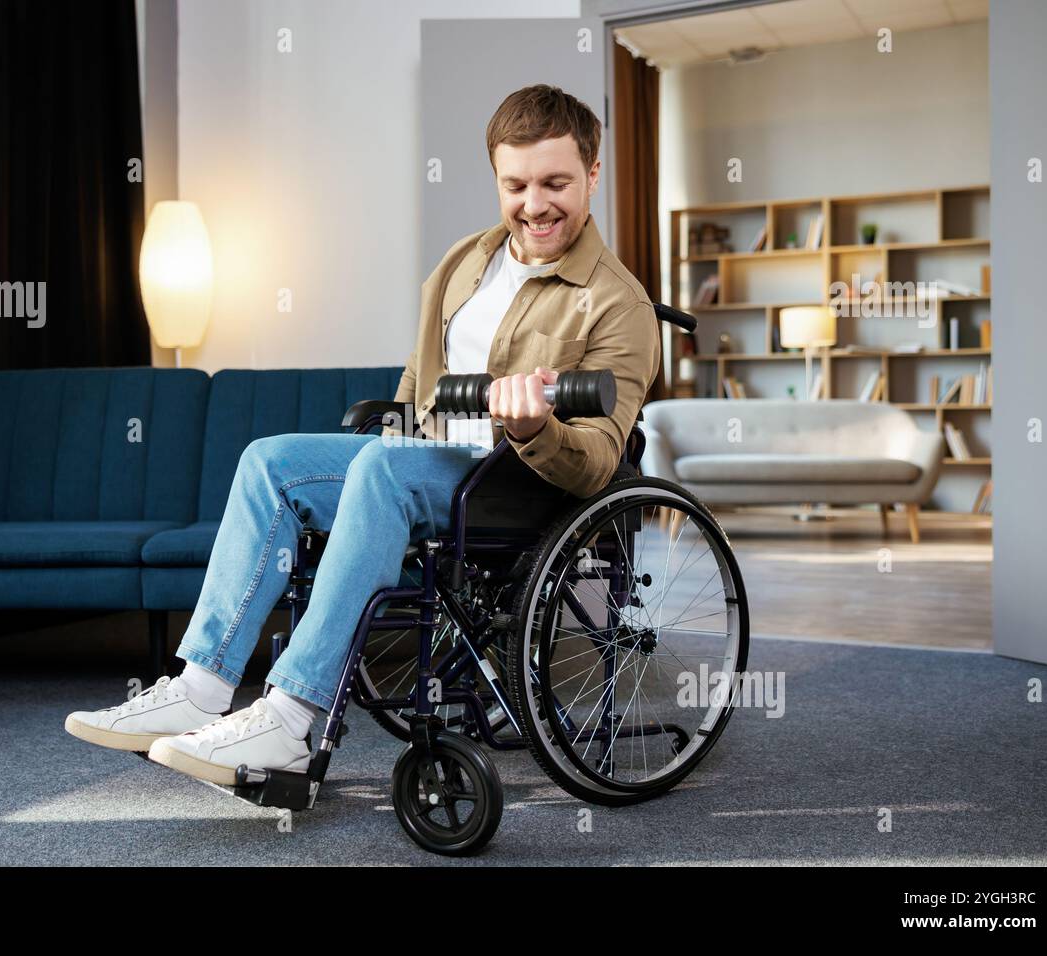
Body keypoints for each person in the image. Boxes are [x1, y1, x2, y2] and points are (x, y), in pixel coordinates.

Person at [64, 84, 660, 785]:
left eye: (556, 182)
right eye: (517, 184)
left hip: (516, 487)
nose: (535, 204)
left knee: (383, 471)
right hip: (426, 460)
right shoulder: (465, 262)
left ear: (593, 174)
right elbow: (418, 383)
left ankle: (289, 720)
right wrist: (397, 429)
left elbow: (595, 464)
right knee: (270, 462)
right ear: (497, 178)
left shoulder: (620, 305)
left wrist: (535, 427)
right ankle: (198, 689)